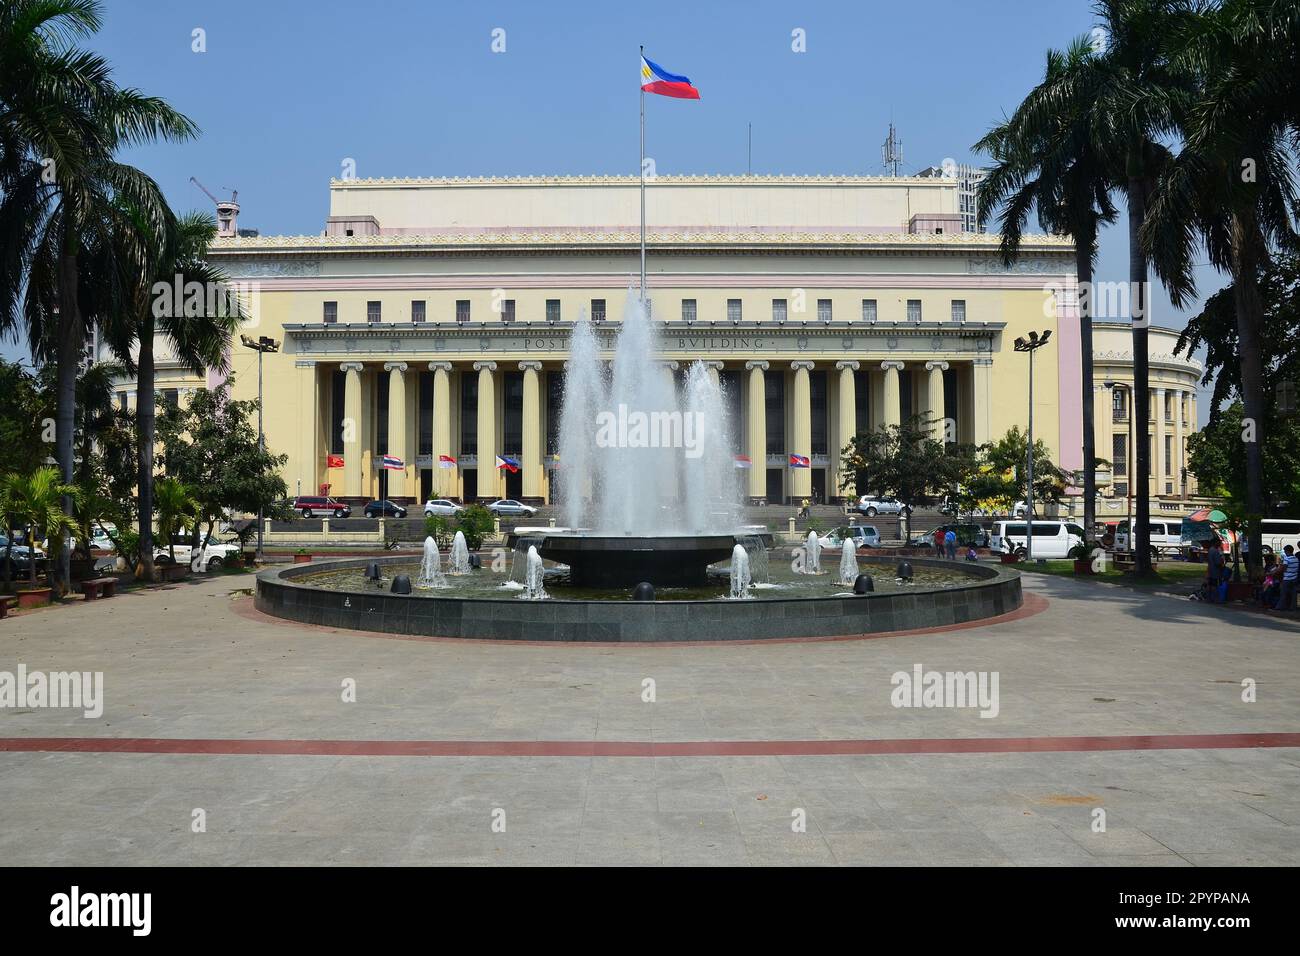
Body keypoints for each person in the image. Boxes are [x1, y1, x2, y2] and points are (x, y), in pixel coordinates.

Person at [1279, 545, 1299, 612]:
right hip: (1294, 578)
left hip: (1287, 579)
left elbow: (1283, 569)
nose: (1285, 553)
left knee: (1284, 593)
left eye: (1285, 551)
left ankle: (1281, 607)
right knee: (1293, 594)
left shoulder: (1287, 559)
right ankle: (1293, 608)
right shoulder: (1296, 559)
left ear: (1287, 551)